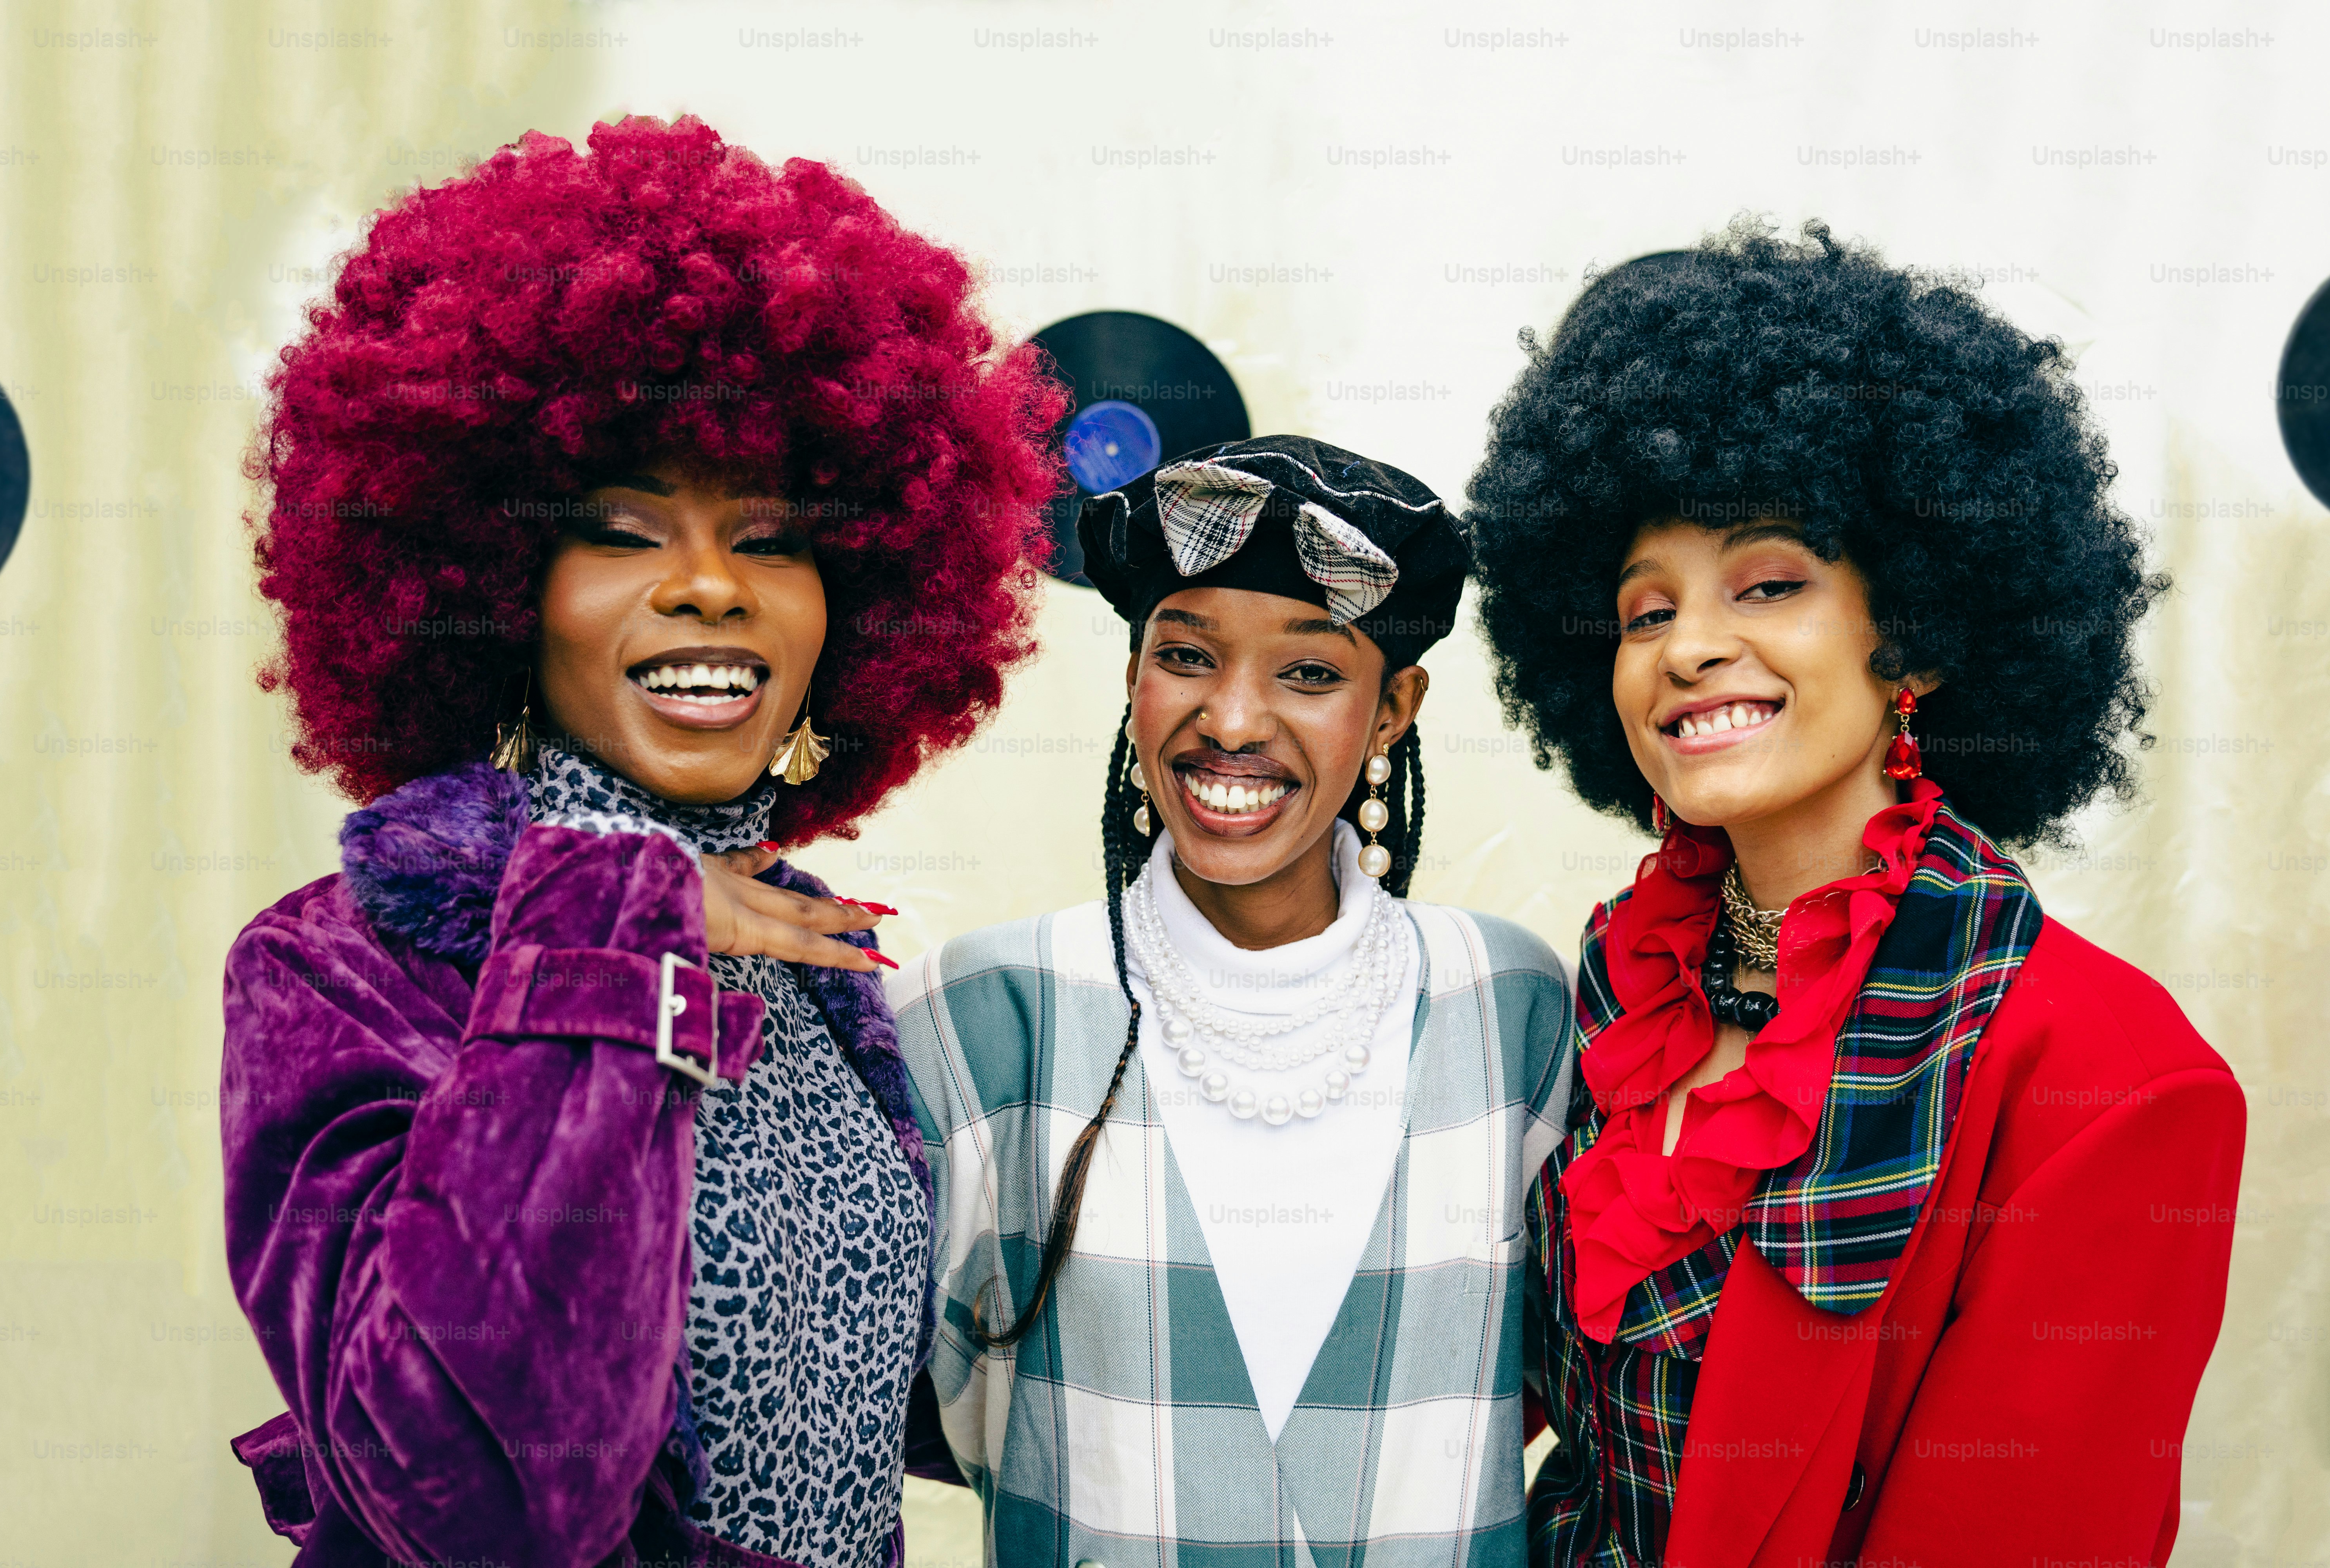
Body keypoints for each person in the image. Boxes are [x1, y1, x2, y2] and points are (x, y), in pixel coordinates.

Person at [219, 115, 1064, 1566]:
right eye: (622, 532)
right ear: (499, 591)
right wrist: (613, 926)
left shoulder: (821, 961)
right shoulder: (342, 970)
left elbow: (873, 1410)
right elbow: (480, 1502)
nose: (710, 589)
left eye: (771, 537)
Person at [1465, 221, 2246, 1566]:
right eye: (1646, 611)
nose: (1692, 647)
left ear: (1922, 643)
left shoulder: (2108, 1081)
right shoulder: (1611, 995)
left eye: (1769, 584)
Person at [890, 435, 1575, 1564]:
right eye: (1188, 656)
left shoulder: (1514, 1007)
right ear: (1131, 678)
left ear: (1394, 707)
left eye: (1311, 672)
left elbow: (1544, 1379)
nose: (1236, 721)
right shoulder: (978, 1014)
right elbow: (900, 1396)